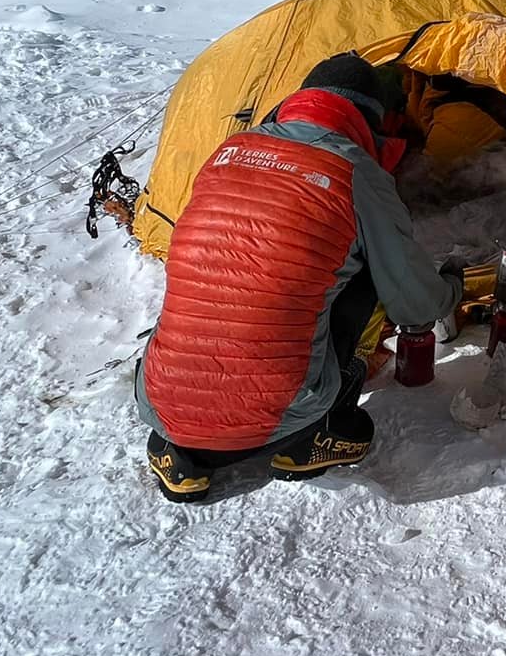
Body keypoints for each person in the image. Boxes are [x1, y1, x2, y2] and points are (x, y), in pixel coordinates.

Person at [137, 53, 461, 501]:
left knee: (213, 276)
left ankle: (181, 452)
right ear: (370, 120)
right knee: (369, 275)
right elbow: (413, 302)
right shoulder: (355, 169)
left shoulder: (226, 152)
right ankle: (314, 435)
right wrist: (451, 288)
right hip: (277, 417)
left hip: (158, 402)